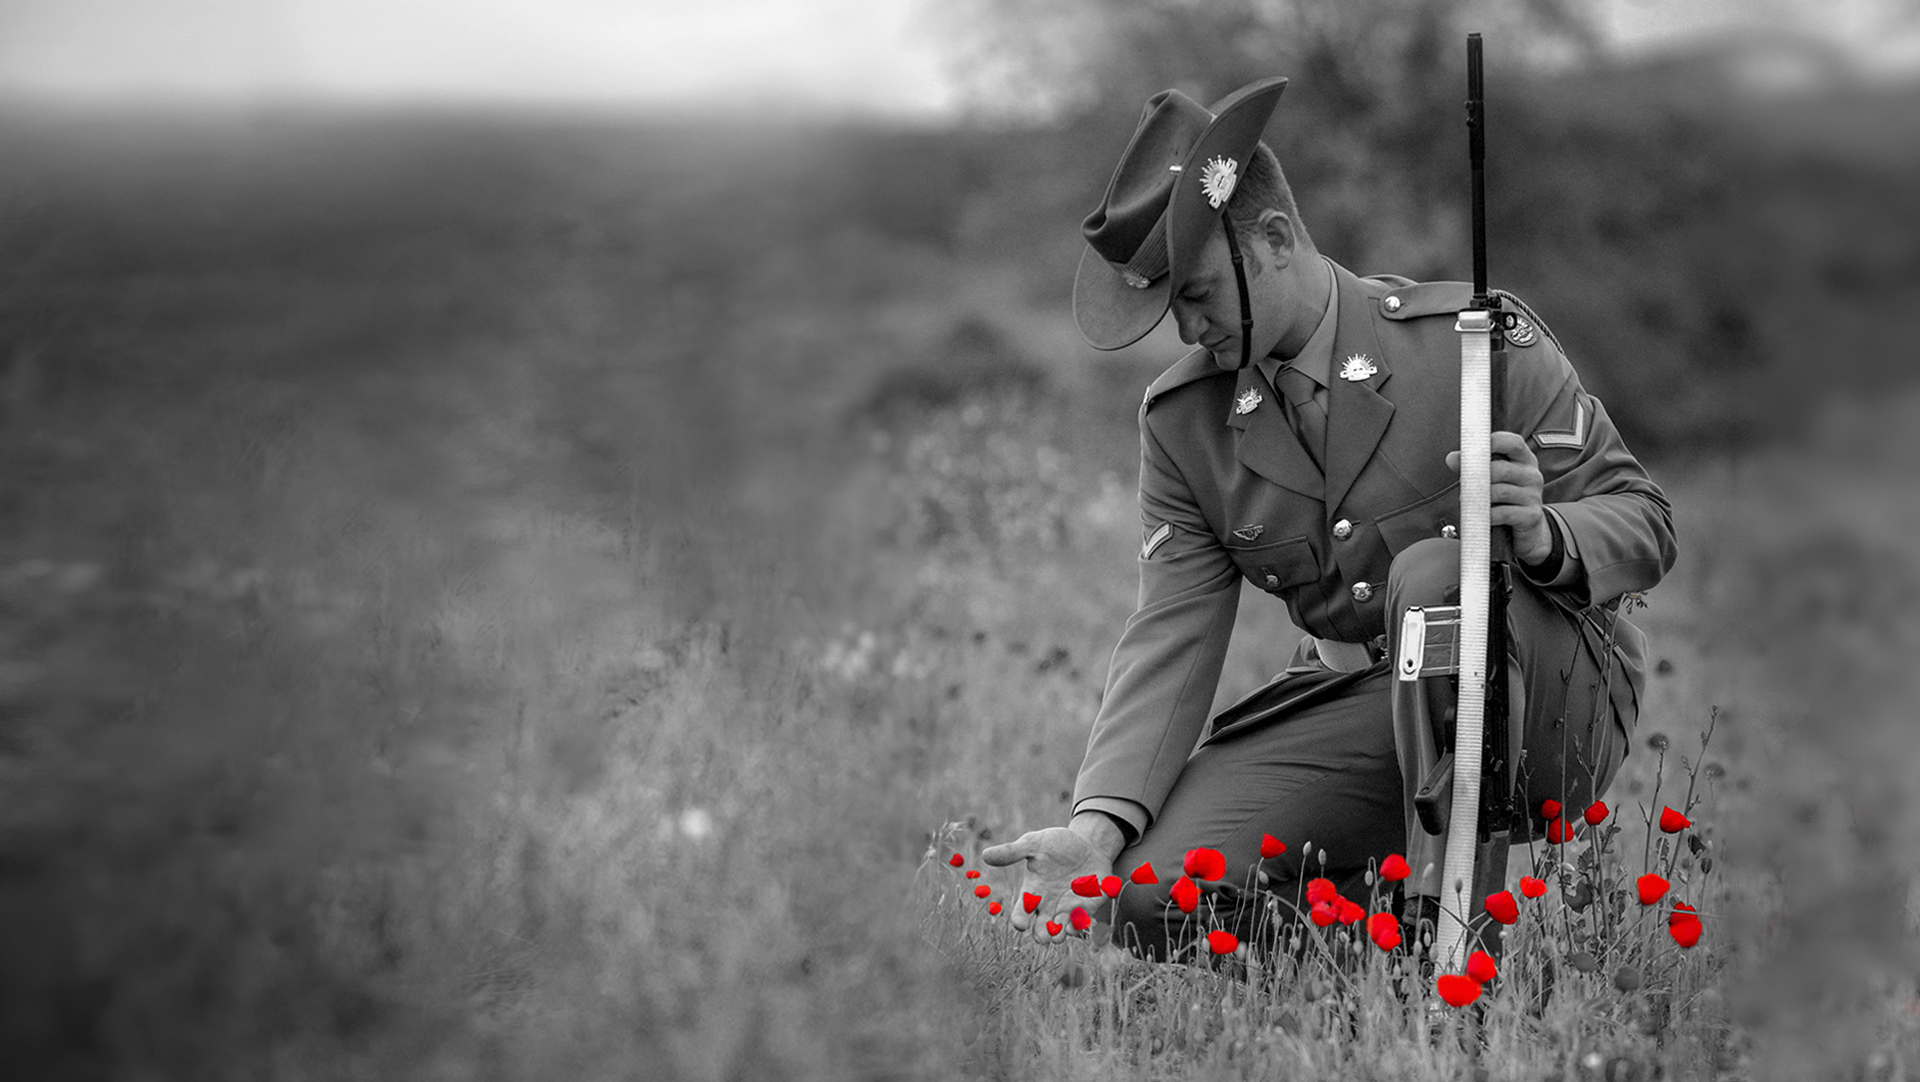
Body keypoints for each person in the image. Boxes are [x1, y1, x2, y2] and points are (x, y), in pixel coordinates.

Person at [980, 77, 1676, 960]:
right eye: (1170, 307)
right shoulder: (1186, 424)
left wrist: (1545, 535)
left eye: (1198, 293)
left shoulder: (1470, 343)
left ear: (1274, 239)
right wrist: (1098, 828)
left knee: (1436, 577)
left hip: (1546, 698)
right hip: (1363, 704)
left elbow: (1646, 520)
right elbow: (1172, 630)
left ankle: (1461, 958)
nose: (1188, 331)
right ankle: (1391, 970)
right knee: (1148, 896)